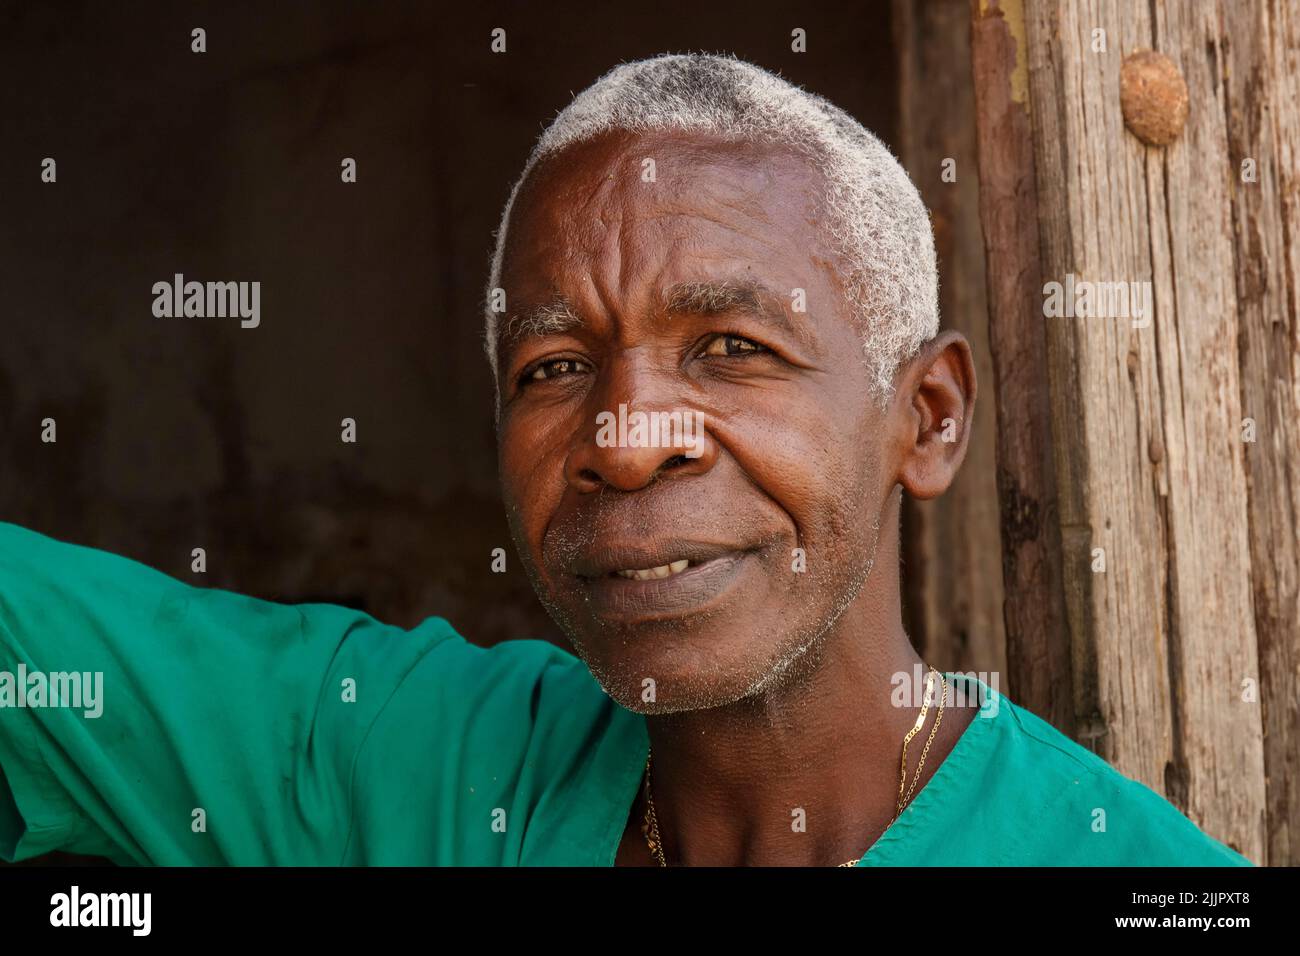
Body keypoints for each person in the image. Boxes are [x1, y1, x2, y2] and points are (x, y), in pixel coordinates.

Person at [0, 53, 1250, 867]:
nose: (624, 438)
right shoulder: (413, 765)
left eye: (729, 345)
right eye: (553, 369)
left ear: (924, 417)